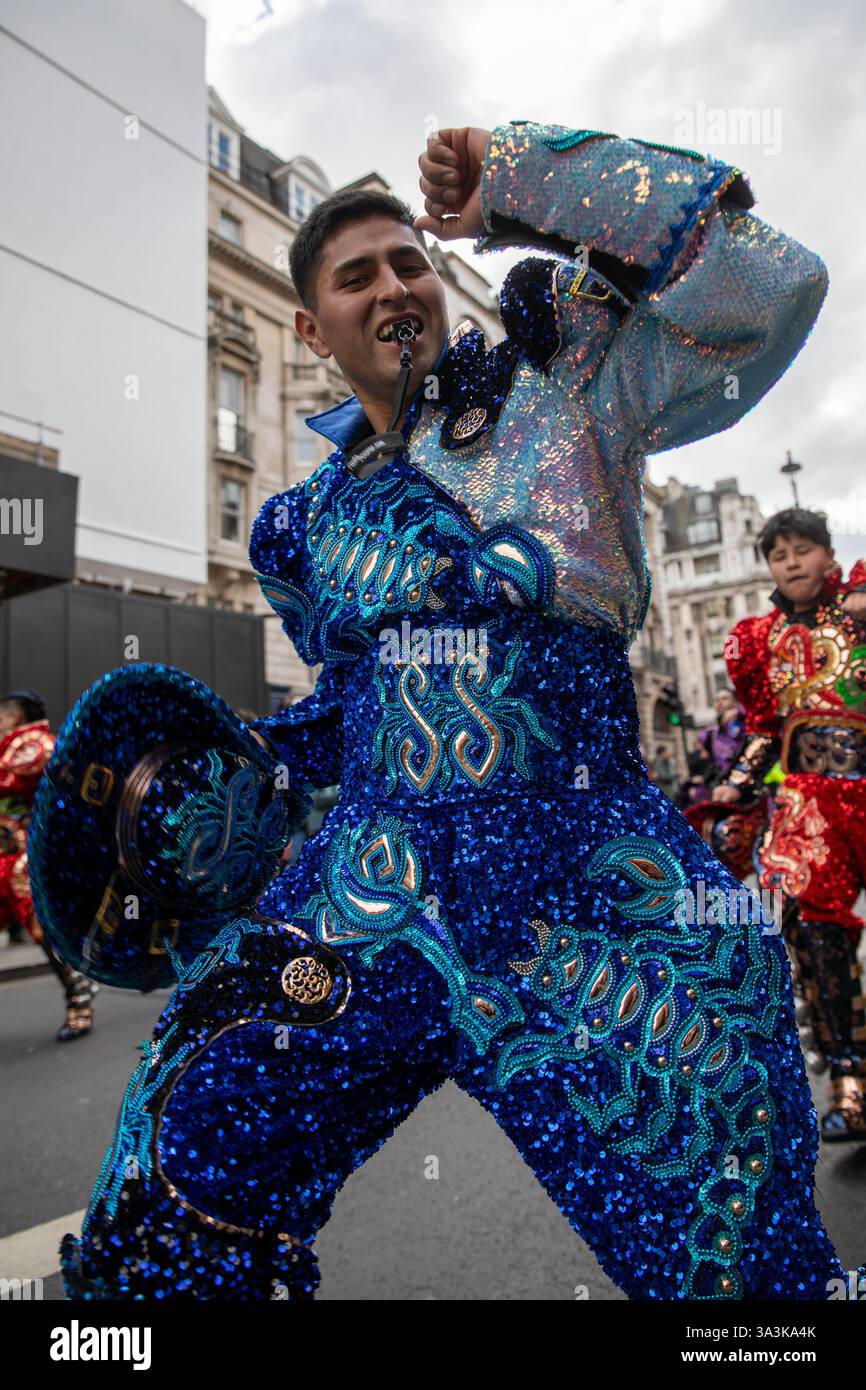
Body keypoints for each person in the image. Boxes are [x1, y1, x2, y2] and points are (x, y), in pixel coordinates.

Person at [45, 119, 860, 1301]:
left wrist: (532, 185)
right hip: (368, 895)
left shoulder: (569, 379)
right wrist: (219, 793)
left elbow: (769, 287)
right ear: (306, 327)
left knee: (740, 1273)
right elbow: (345, 706)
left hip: (592, 891)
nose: (394, 286)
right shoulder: (300, 525)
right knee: (172, 1176)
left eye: (408, 261)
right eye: (355, 274)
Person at [710, 508, 866, 1141]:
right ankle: (849, 1081)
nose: (793, 562)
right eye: (780, 554)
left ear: (828, 554)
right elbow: (766, 730)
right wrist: (737, 787)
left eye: (805, 549)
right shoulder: (759, 639)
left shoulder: (857, 610)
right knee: (810, 929)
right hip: (808, 805)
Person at [0, 689, 98, 1039]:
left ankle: (80, 999)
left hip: (33, 855)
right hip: (6, 855)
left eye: (1, 716)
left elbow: (13, 778)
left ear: (15, 716)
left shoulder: (37, 744)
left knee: (44, 929)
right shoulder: (12, 745)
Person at [699, 690, 746, 783]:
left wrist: (739, 712)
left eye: (725, 698)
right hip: (726, 779)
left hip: (747, 774)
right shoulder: (711, 732)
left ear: (735, 701)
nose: (720, 702)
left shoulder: (743, 718)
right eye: (717, 700)